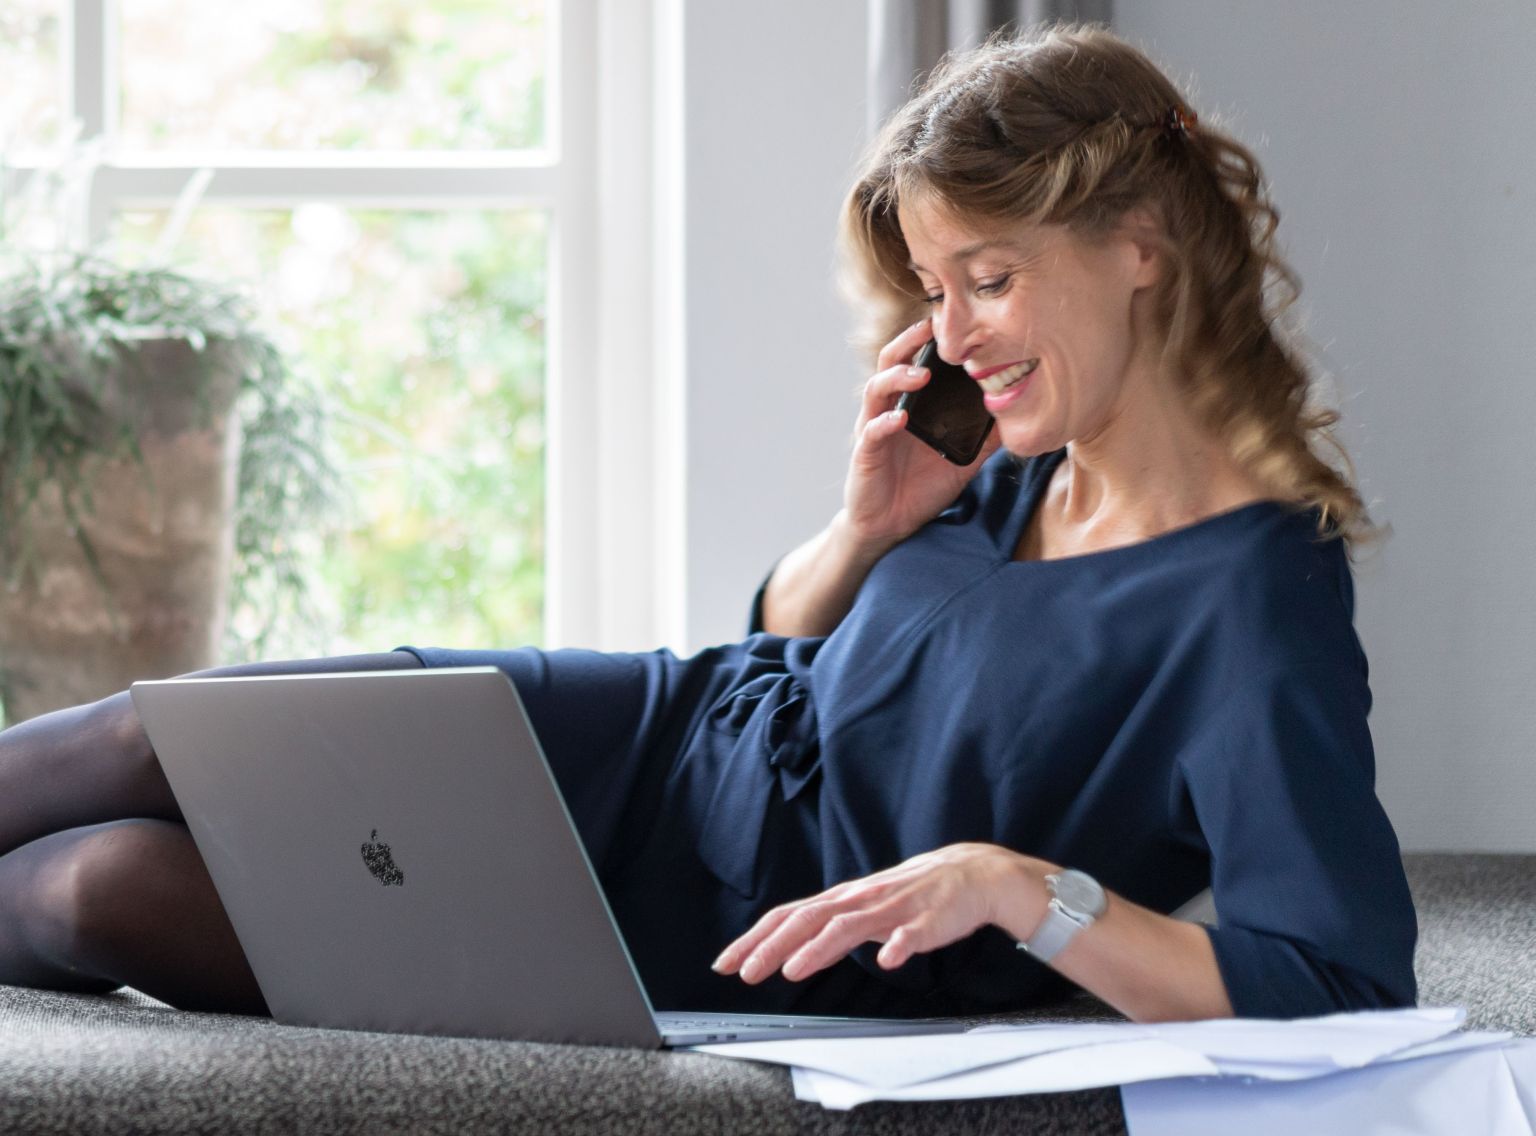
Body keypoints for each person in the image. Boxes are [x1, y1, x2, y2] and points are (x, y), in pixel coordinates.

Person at [0, 24, 1416, 1025]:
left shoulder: (1252, 599)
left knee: (99, 890)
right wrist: (862, 530)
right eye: (934, 290)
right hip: (660, 735)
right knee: (155, 734)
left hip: (724, 936)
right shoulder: (1013, 454)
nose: (953, 334)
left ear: (1142, 248)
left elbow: (1335, 981)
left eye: (987, 277)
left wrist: (1021, 890)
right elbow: (789, 650)